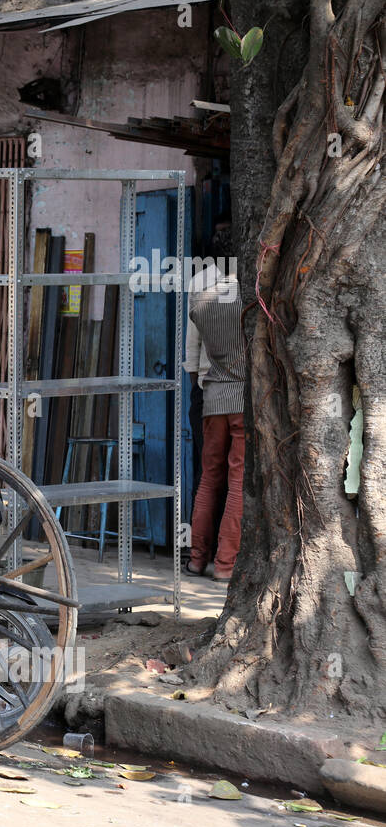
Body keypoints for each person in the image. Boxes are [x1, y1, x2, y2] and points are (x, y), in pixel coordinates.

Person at [186, 231, 243, 583]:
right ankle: (225, 564)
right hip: (241, 398)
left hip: (211, 396)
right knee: (237, 482)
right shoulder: (249, 295)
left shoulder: (201, 301)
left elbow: (193, 353)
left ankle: (196, 559)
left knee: (209, 480)